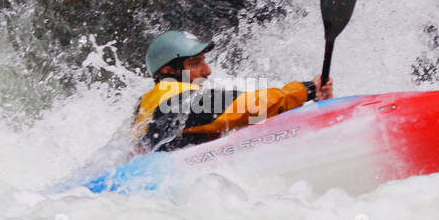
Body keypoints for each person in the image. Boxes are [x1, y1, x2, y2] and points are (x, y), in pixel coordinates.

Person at [134, 31, 334, 153]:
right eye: (196, 63)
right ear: (169, 71)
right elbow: (251, 107)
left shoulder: (145, 104)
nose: (207, 71)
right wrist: (307, 90)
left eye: (204, 61)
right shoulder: (179, 99)